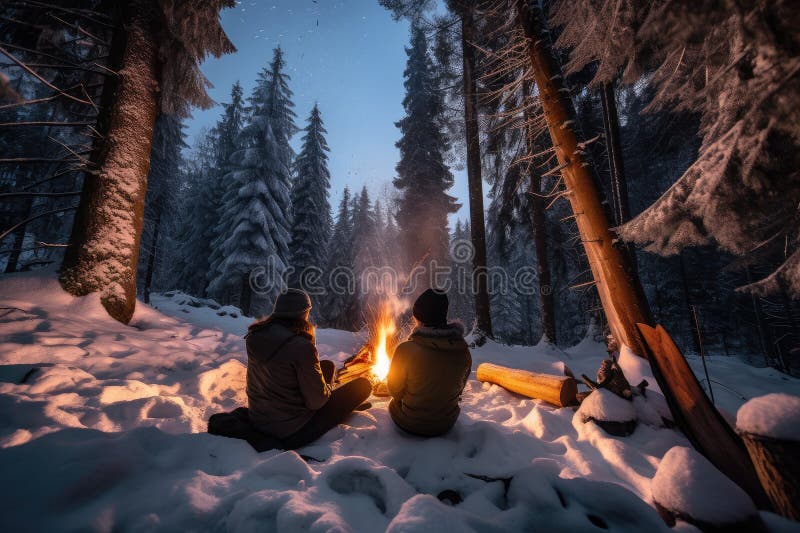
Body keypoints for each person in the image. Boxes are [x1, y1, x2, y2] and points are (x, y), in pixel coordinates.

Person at [246, 288, 372, 449]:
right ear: (303, 313)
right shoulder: (301, 346)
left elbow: (282, 372)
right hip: (291, 431)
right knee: (362, 386)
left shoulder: (255, 335)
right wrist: (328, 391)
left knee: (327, 366)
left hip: (259, 418)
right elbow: (316, 403)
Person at [387, 288, 472, 437]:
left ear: (420, 318)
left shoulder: (406, 349)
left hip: (410, 424)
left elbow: (394, 390)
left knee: (392, 405)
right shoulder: (462, 350)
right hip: (447, 423)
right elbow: (459, 389)